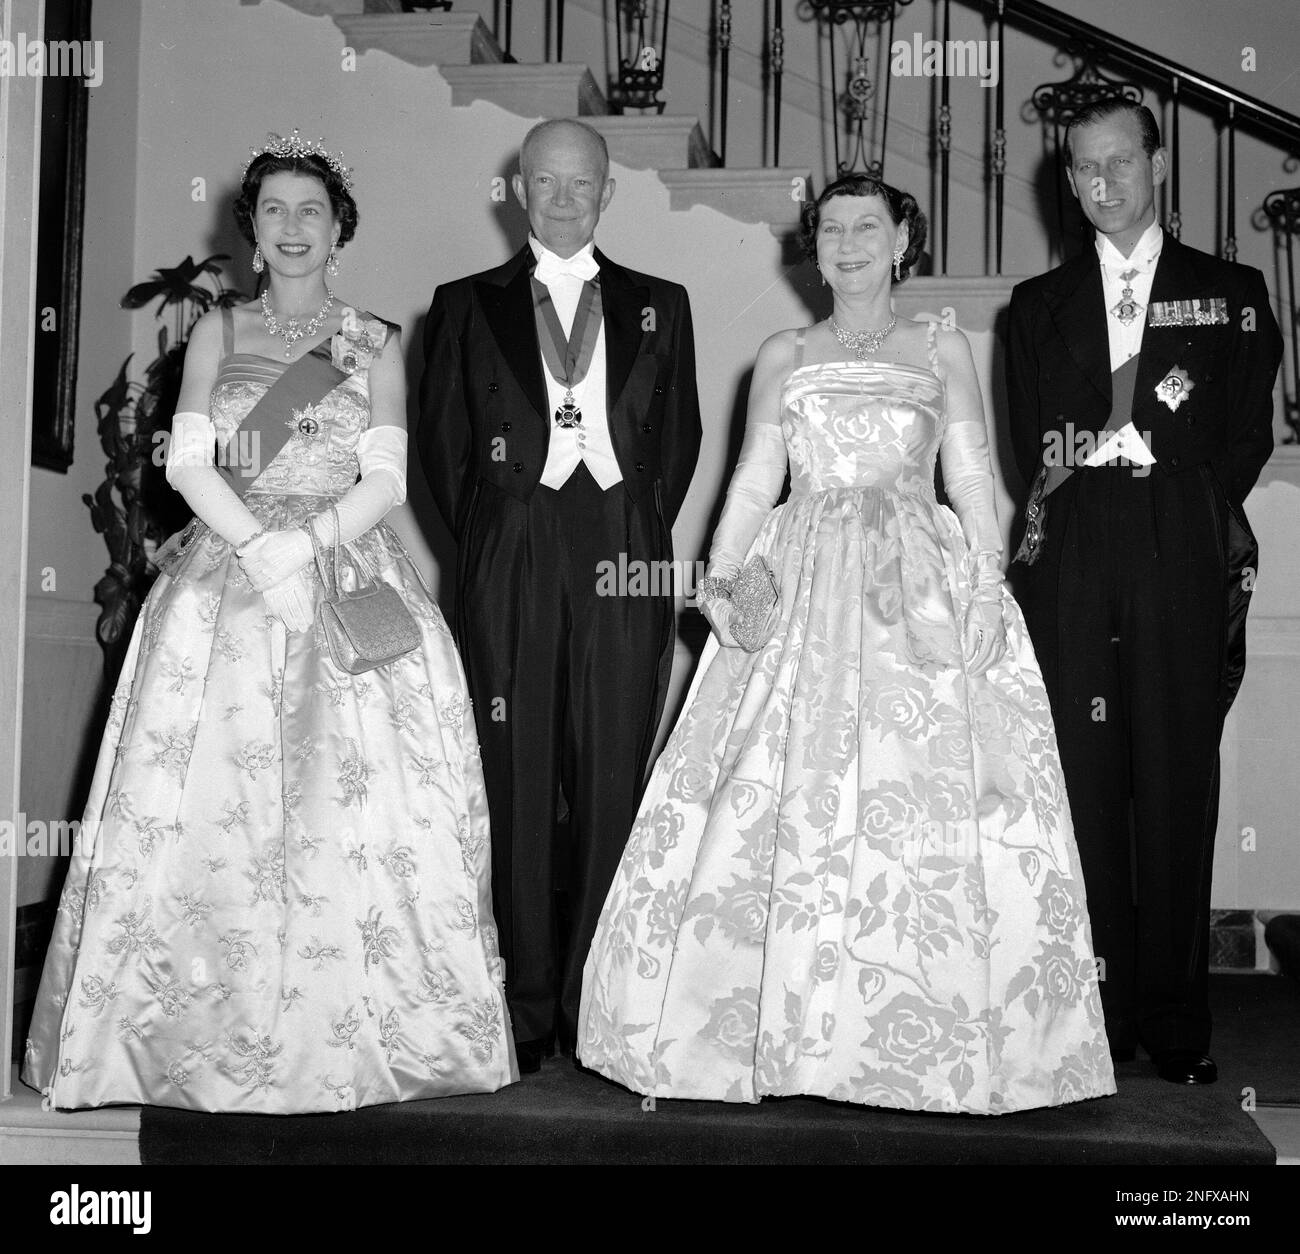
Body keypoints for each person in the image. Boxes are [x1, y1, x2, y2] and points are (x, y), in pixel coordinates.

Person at [577, 174, 1115, 1114]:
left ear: (904, 238)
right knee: (778, 793)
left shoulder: (944, 345)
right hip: (801, 579)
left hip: (916, 585)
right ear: (813, 247)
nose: (850, 243)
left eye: (869, 226)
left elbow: (973, 477)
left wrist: (986, 586)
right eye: (832, 229)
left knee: (916, 799)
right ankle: (772, 1028)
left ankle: (914, 1032)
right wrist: (721, 576)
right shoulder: (783, 351)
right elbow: (753, 480)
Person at [22, 131, 517, 1113]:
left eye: (312, 213)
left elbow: (385, 475)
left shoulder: (372, 338)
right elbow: (186, 463)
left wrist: (312, 542)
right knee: (209, 804)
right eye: (275, 212)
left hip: (345, 566)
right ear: (251, 230)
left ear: (340, 231)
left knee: (362, 798)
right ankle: (180, 1036)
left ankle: (370, 1030)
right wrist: (261, 548)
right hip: (225, 576)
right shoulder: (219, 330)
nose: (293, 230)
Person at [1007, 100, 1283, 1085]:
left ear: (1156, 164)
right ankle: (1095, 1011)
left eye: (1120, 162)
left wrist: (1182, 501)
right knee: (1080, 783)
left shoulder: (1230, 291)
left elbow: (1246, 433)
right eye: (1084, 168)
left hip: (1177, 543)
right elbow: (1023, 445)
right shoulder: (1034, 308)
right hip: (1074, 553)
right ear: (1067, 179)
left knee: (1174, 781)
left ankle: (1173, 1022)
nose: (1103, 182)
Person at [417, 119, 701, 1073]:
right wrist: (497, 541)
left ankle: (601, 1001)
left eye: (581, 183)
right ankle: (528, 1003)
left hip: (623, 540)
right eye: (546, 182)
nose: (564, 198)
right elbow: (439, 452)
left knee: (614, 761)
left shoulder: (666, 301)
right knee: (516, 768)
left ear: (608, 191)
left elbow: (683, 441)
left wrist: (631, 521)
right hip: (511, 544)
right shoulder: (462, 305)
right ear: (519, 190)